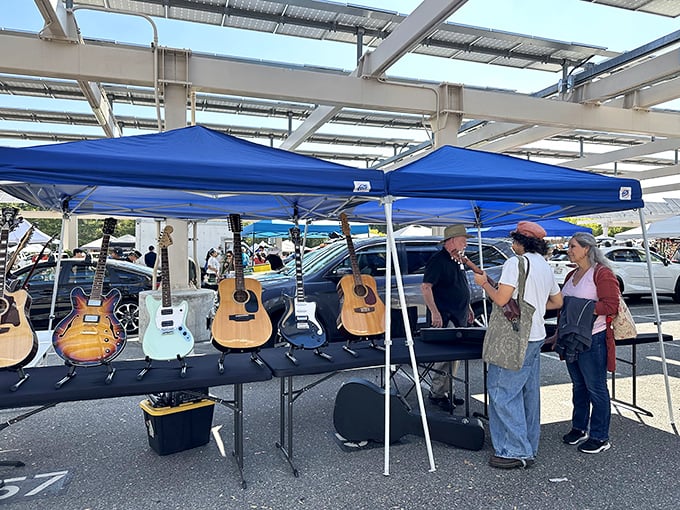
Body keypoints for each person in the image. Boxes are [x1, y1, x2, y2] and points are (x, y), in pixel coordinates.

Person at [473, 221, 562, 470]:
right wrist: (535, 305)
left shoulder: (515, 263)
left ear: (521, 241)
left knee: (502, 392)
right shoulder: (544, 265)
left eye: (514, 240)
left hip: (514, 337)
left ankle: (516, 450)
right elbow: (558, 300)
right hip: (536, 334)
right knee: (527, 393)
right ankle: (526, 445)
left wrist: (484, 284)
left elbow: (501, 298)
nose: (512, 245)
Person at [554, 232, 618, 455]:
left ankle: (600, 436)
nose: (568, 250)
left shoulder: (602, 273)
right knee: (578, 386)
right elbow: (562, 305)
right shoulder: (571, 274)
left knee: (596, 388)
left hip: (594, 338)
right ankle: (579, 427)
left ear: (587, 249)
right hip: (572, 339)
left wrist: (582, 306)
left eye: (572, 246)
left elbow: (611, 306)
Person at [421, 224, 474, 412]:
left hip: (458, 313)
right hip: (445, 314)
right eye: (463, 239)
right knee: (444, 357)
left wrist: (467, 306)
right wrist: (434, 312)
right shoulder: (438, 260)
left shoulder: (458, 259)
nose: (466, 242)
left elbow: (460, 285)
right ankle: (437, 393)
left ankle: (446, 390)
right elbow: (426, 287)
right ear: (452, 240)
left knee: (454, 358)